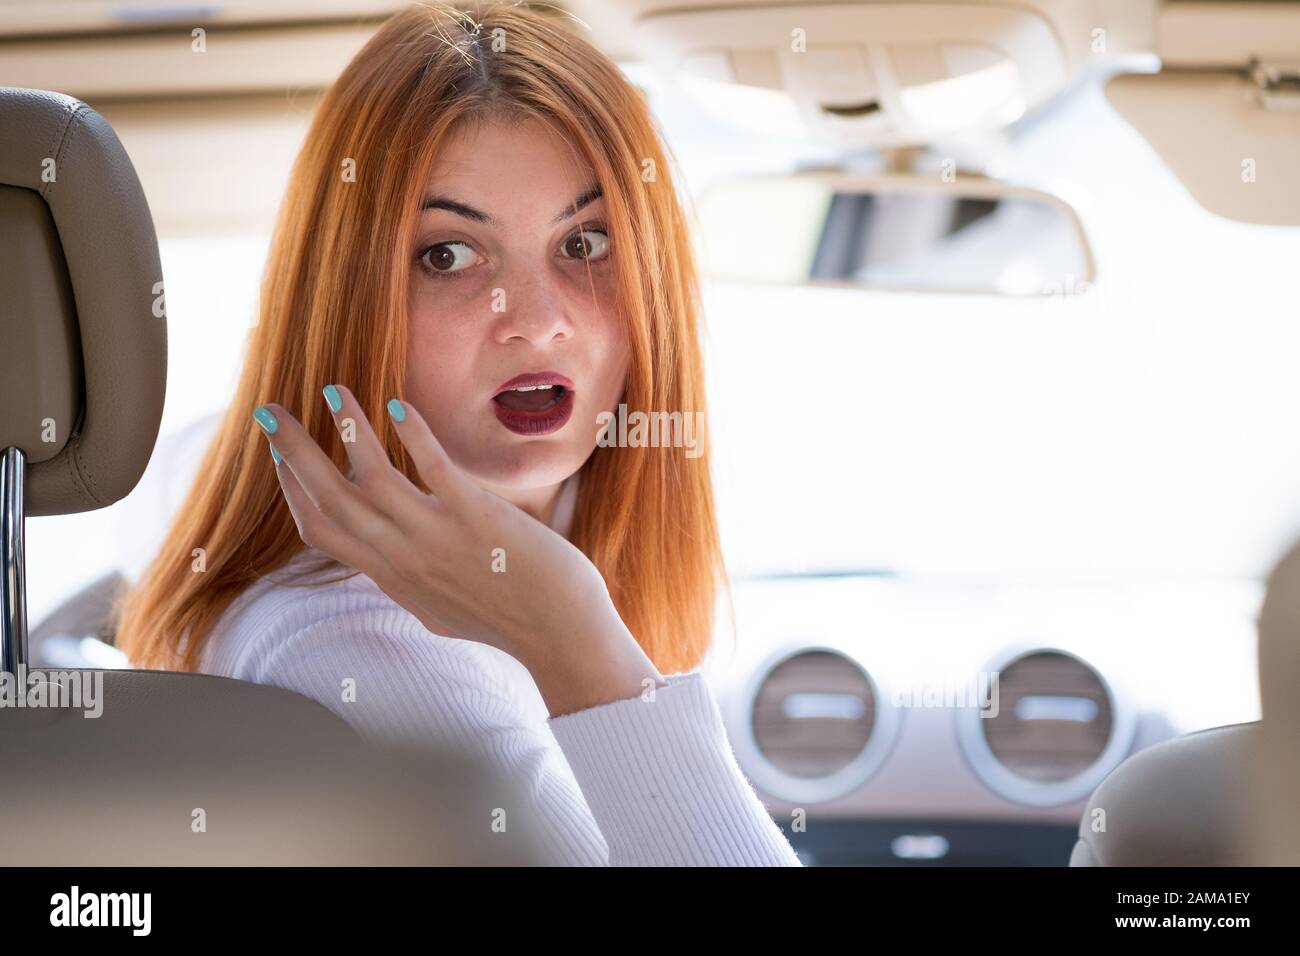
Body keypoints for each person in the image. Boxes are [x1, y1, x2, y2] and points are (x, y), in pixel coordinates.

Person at [115, 0, 801, 866]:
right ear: (348, 301)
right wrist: (581, 647)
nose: (536, 322)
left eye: (585, 241)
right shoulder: (352, 650)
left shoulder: (261, 512)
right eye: (447, 255)